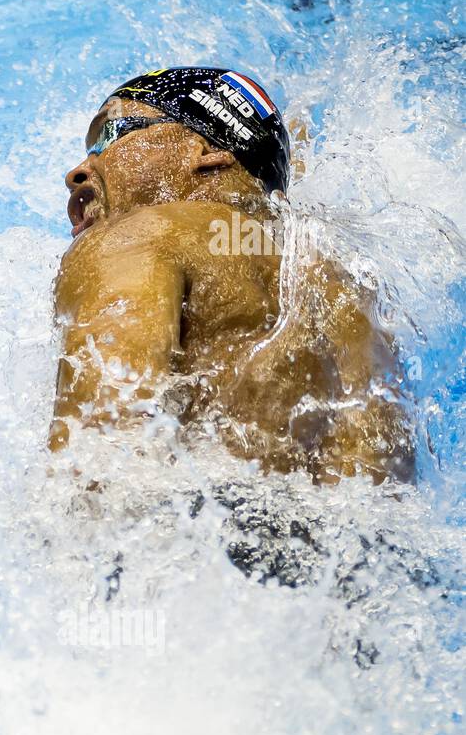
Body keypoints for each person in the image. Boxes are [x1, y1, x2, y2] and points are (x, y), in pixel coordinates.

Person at [50, 66, 414, 483]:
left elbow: (99, 454)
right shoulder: (349, 298)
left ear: (205, 152)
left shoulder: (146, 234)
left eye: (110, 135)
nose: (76, 172)